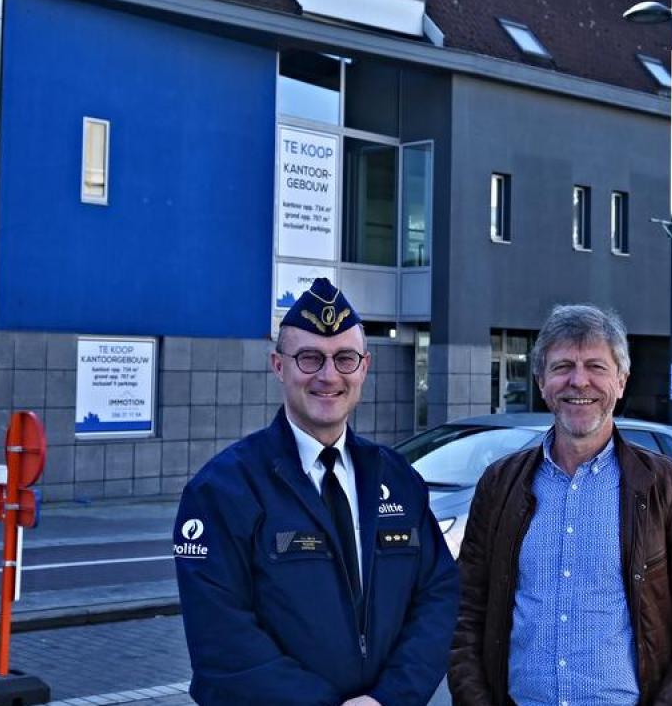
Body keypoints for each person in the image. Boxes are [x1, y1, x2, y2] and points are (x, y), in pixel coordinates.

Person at [173, 279, 458, 705]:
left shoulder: (397, 477)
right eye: (310, 358)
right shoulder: (223, 489)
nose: (328, 376)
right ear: (278, 365)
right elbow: (222, 640)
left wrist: (389, 698)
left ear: (364, 366)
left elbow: (438, 596)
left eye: (345, 358)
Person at [448, 304, 672, 705]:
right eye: (563, 366)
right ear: (541, 381)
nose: (579, 381)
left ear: (621, 381)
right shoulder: (500, 486)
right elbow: (464, 614)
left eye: (596, 367)